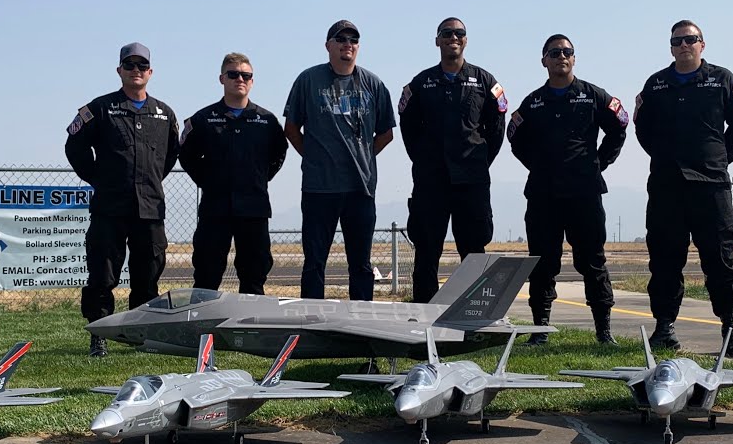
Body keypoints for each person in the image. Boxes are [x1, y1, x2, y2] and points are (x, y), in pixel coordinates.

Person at [634, 20, 733, 357]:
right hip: (666, 186)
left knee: (720, 258)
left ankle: (731, 330)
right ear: (671, 47)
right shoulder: (656, 84)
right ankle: (664, 328)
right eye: (677, 41)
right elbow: (642, 129)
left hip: (711, 186)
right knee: (664, 258)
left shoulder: (722, 79)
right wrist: (664, 155)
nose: (684, 45)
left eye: (690, 40)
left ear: (702, 44)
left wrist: (720, 157)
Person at [508, 34, 627, 346]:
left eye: (567, 52)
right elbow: (516, 141)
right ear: (544, 60)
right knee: (542, 262)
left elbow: (619, 127)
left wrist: (598, 163)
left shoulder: (592, 96)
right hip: (543, 194)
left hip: (584, 192)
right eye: (554, 52)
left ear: (574, 58)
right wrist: (539, 165)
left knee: (592, 260)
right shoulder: (533, 102)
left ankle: (604, 331)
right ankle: (540, 331)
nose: (561, 56)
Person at [65, 42, 180, 357]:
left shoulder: (165, 114)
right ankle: (99, 334)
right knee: (103, 274)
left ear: (150, 72)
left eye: (142, 66)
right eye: (129, 66)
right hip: (110, 208)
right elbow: (74, 147)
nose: (136, 71)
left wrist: (150, 181)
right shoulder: (100, 108)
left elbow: (169, 156)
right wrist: (98, 178)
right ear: (119, 71)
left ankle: (141, 335)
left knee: (147, 277)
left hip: (150, 209)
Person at [283, 20, 396, 300]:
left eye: (354, 39)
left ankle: (361, 326)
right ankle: (310, 324)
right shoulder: (308, 80)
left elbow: (385, 134)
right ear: (328, 45)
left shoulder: (374, 84)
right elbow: (291, 129)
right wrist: (314, 157)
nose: (348, 43)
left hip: (360, 188)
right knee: (314, 263)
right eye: (341, 38)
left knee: (360, 264)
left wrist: (363, 157)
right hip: (319, 188)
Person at [399, 17, 506, 303]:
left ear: (466, 40)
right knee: (426, 251)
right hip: (430, 182)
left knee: (473, 253)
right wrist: (424, 160)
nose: (453, 38)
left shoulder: (485, 81)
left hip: (471, 181)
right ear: (438, 40)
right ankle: (423, 317)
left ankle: (472, 316)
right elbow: (408, 129)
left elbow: (496, 130)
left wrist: (479, 162)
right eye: (447, 33)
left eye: (459, 33)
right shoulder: (421, 83)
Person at [179, 52, 288, 295]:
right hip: (215, 209)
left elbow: (279, 154)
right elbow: (186, 156)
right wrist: (209, 181)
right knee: (207, 274)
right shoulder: (204, 119)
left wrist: (259, 178)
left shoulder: (267, 121)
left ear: (252, 81)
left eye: (246, 75)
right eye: (233, 74)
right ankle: (204, 328)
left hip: (254, 208)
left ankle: (250, 330)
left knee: (254, 274)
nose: (240, 79)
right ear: (222, 78)